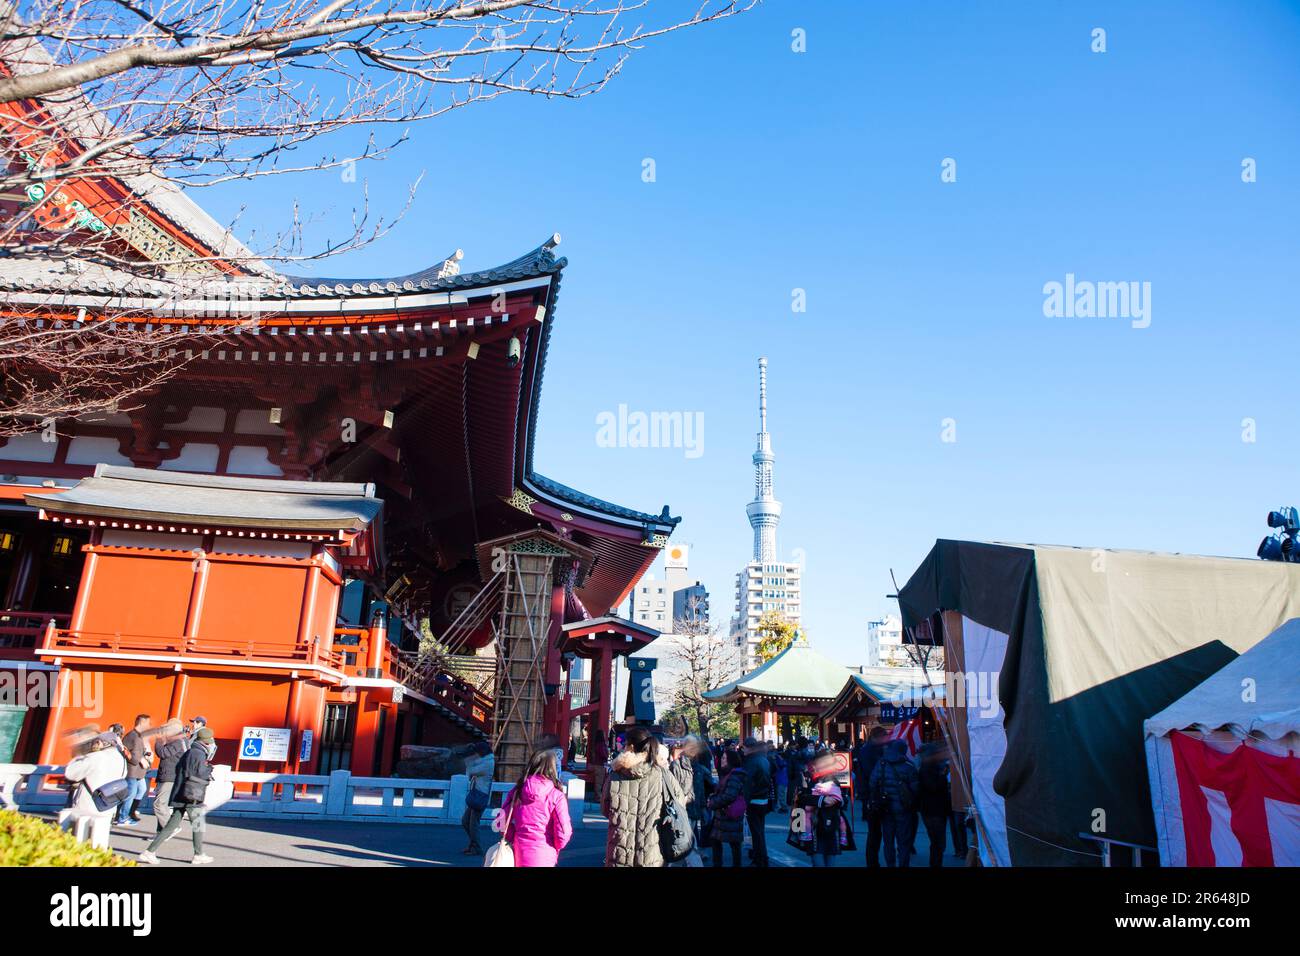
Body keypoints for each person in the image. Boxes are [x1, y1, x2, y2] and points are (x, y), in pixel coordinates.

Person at [601, 724, 687, 867]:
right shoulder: (663, 774)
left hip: (619, 850)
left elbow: (605, 809)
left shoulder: (615, 775)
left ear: (631, 747)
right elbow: (679, 803)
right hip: (652, 850)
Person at [139, 726, 217, 864]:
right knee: (198, 824)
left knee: (171, 825)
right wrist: (209, 769)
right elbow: (197, 773)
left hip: (182, 792)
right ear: (205, 741)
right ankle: (198, 854)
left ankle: (149, 851)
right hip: (191, 794)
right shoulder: (198, 754)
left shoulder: (191, 751)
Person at [498, 749, 572, 867]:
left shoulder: (517, 791)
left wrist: (512, 836)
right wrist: (554, 845)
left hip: (518, 852)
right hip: (544, 854)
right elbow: (563, 834)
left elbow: (500, 821)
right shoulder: (556, 796)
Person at [62, 729, 129, 849]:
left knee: (81, 835)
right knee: (99, 838)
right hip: (109, 802)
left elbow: (70, 773)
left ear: (102, 743)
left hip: (89, 802)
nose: (94, 744)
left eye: (96, 742)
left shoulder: (95, 757)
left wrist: (78, 757)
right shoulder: (121, 758)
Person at [788, 752, 855, 866]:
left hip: (831, 824)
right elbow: (799, 798)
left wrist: (838, 800)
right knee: (818, 861)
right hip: (813, 826)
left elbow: (842, 801)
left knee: (830, 860)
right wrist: (822, 800)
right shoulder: (807, 778)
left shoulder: (832, 778)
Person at [869, 740, 919, 868]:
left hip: (885, 807)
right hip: (904, 808)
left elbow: (872, 782)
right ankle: (903, 864)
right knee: (904, 841)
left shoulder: (881, 763)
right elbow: (916, 789)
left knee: (888, 840)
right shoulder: (908, 766)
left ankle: (890, 864)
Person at [705, 747, 746, 867]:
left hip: (728, 814)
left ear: (730, 760)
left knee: (729, 843)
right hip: (725, 815)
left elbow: (729, 796)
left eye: (724, 758)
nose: (721, 760)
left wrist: (712, 802)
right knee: (728, 843)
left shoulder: (734, 776)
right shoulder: (731, 774)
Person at [113, 714, 152, 825]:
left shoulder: (138, 736)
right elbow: (126, 751)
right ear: (142, 723)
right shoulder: (132, 736)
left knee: (140, 790)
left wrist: (145, 756)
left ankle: (128, 813)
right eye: (148, 723)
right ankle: (122, 817)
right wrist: (140, 759)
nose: (149, 726)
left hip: (138, 772)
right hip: (132, 771)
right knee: (130, 794)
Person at [151, 719, 188, 836]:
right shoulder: (180, 740)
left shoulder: (178, 741)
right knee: (163, 805)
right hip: (168, 775)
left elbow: (163, 753)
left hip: (170, 776)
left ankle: (170, 828)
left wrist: (159, 741)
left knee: (159, 804)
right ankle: (160, 834)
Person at [918, 742, 952, 868]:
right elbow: (933, 786)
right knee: (937, 841)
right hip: (933, 810)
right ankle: (935, 863)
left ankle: (936, 862)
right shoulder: (927, 768)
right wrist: (943, 776)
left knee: (937, 841)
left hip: (934, 809)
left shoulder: (931, 766)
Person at [857, 726, 888, 865]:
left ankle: (873, 861)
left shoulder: (870, 749)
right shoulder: (869, 751)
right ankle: (872, 861)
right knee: (875, 832)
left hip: (871, 793)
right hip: (873, 794)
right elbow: (871, 772)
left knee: (876, 832)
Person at [460, 740, 495, 855]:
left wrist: (469, 757)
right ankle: (473, 845)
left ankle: (476, 847)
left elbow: (470, 771)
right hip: (477, 795)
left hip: (480, 796)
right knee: (466, 821)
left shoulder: (487, 763)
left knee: (473, 824)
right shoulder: (487, 760)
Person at [741, 736, 772, 867]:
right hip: (763, 799)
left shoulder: (751, 761)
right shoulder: (764, 759)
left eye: (744, 748)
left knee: (756, 832)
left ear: (749, 748)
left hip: (754, 800)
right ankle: (762, 856)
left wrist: (744, 803)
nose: (743, 751)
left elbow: (747, 784)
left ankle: (760, 859)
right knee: (759, 831)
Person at [588, 727, 609, 799]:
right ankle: (598, 796)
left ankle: (597, 796)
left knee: (598, 781)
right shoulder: (602, 745)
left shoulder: (596, 744)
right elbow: (604, 755)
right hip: (600, 765)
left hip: (597, 764)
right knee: (599, 782)